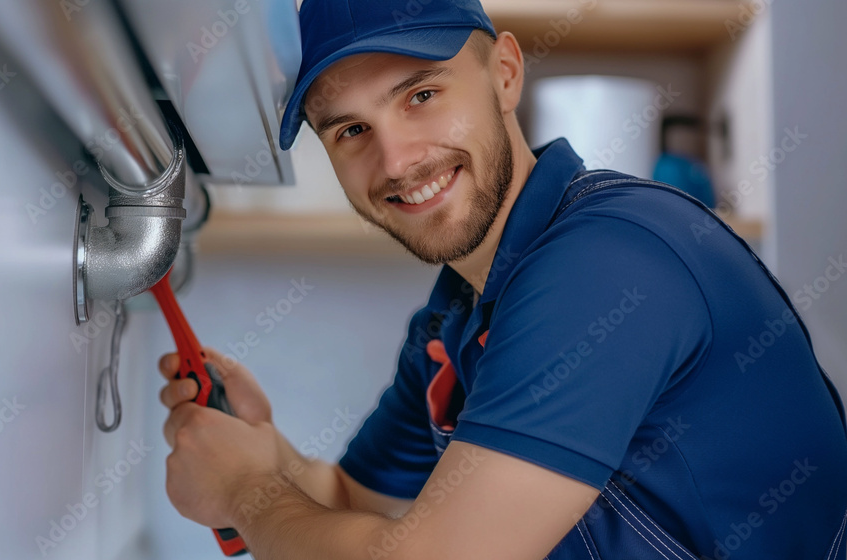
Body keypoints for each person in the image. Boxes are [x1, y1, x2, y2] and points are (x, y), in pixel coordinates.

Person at [157, 0, 847, 558]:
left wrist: (246, 493)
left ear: (507, 74)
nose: (396, 160)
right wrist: (263, 450)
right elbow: (352, 502)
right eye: (350, 132)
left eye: (421, 94)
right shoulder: (454, 315)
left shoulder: (609, 261)